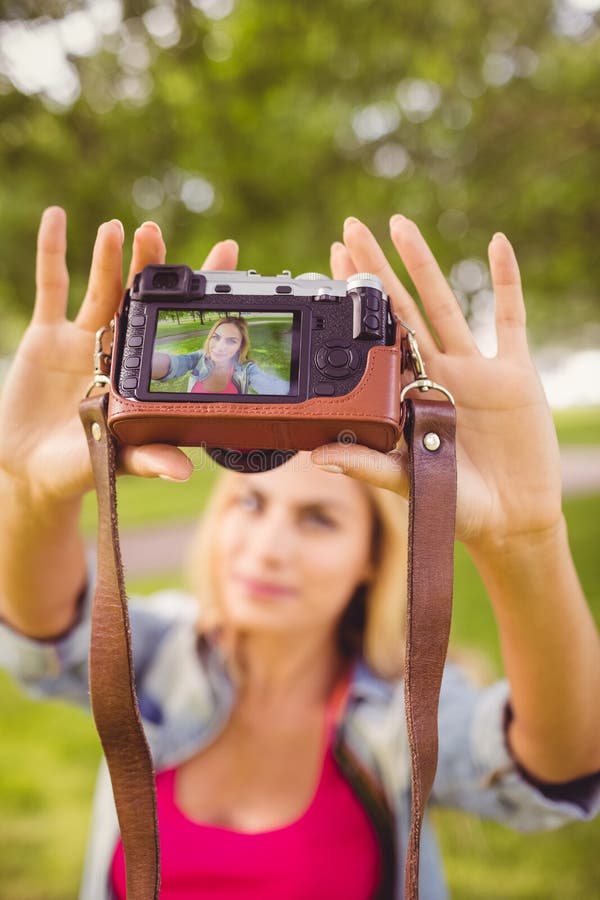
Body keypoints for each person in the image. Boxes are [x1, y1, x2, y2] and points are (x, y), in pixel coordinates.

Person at [0, 208, 599, 900]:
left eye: (318, 520)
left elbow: (556, 769)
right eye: (252, 504)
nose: (270, 548)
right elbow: (41, 636)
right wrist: (28, 492)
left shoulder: (401, 710)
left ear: (372, 557)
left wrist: (525, 539)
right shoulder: (158, 654)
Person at [151, 314, 290, 395]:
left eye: (231, 341)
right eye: (216, 337)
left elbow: (273, 386)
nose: (220, 347)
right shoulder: (198, 358)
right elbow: (174, 363)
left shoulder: (247, 370)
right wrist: (145, 362)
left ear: (239, 347)